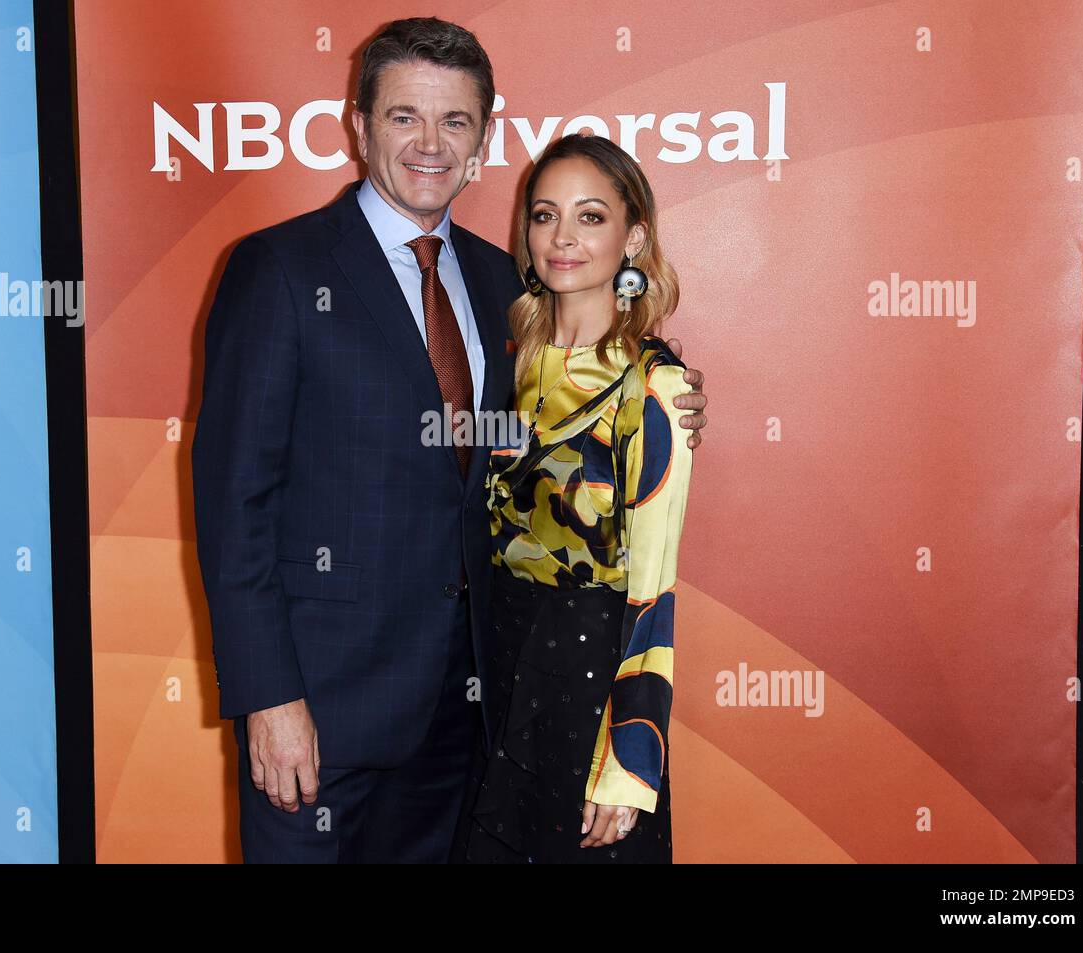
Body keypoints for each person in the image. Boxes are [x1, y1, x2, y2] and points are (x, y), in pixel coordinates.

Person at [190, 17, 707, 864]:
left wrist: (670, 399)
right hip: (320, 720)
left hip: (472, 718)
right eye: (404, 117)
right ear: (359, 127)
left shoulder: (507, 279)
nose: (430, 145)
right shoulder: (278, 270)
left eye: (455, 122)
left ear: (483, 138)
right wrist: (268, 698)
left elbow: (568, 417)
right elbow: (232, 501)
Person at [453, 133, 694, 863]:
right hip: (496, 661)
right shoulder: (509, 362)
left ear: (634, 237)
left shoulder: (655, 386)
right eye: (544, 214)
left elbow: (653, 587)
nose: (562, 238)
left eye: (590, 217)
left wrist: (629, 761)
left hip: (589, 674)